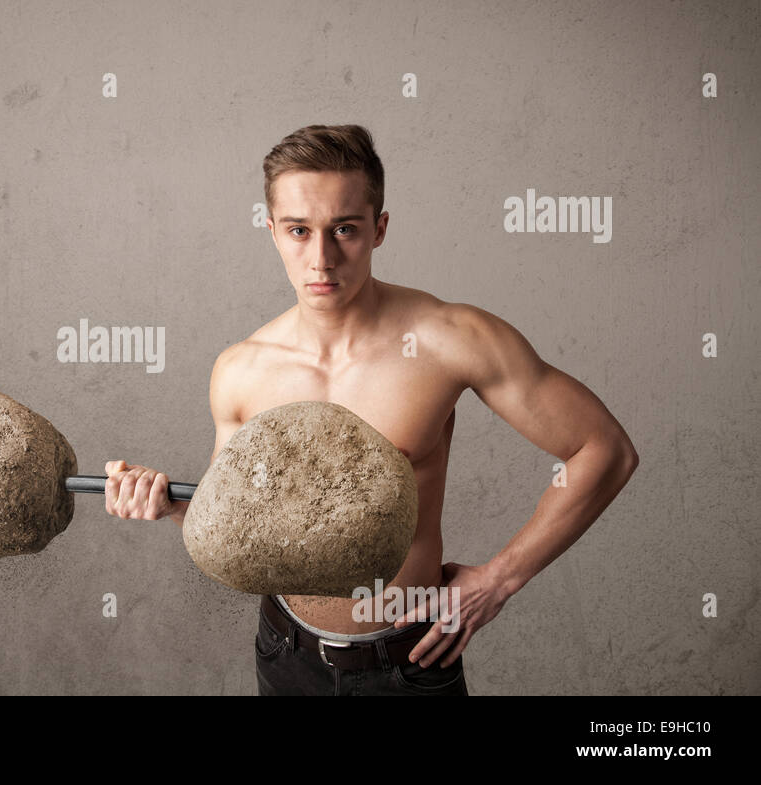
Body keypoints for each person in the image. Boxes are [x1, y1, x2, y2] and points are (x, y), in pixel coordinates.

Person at [104, 124, 639, 696]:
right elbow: (236, 528)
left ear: (379, 229)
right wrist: (165, 505)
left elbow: (604, 450)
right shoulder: (241, 370)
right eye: (299, 231)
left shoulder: (451, 338)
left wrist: (499, 580)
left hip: (406, 661)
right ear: (272, 232)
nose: (322, 258)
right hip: (286, 653)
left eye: (345, 230)